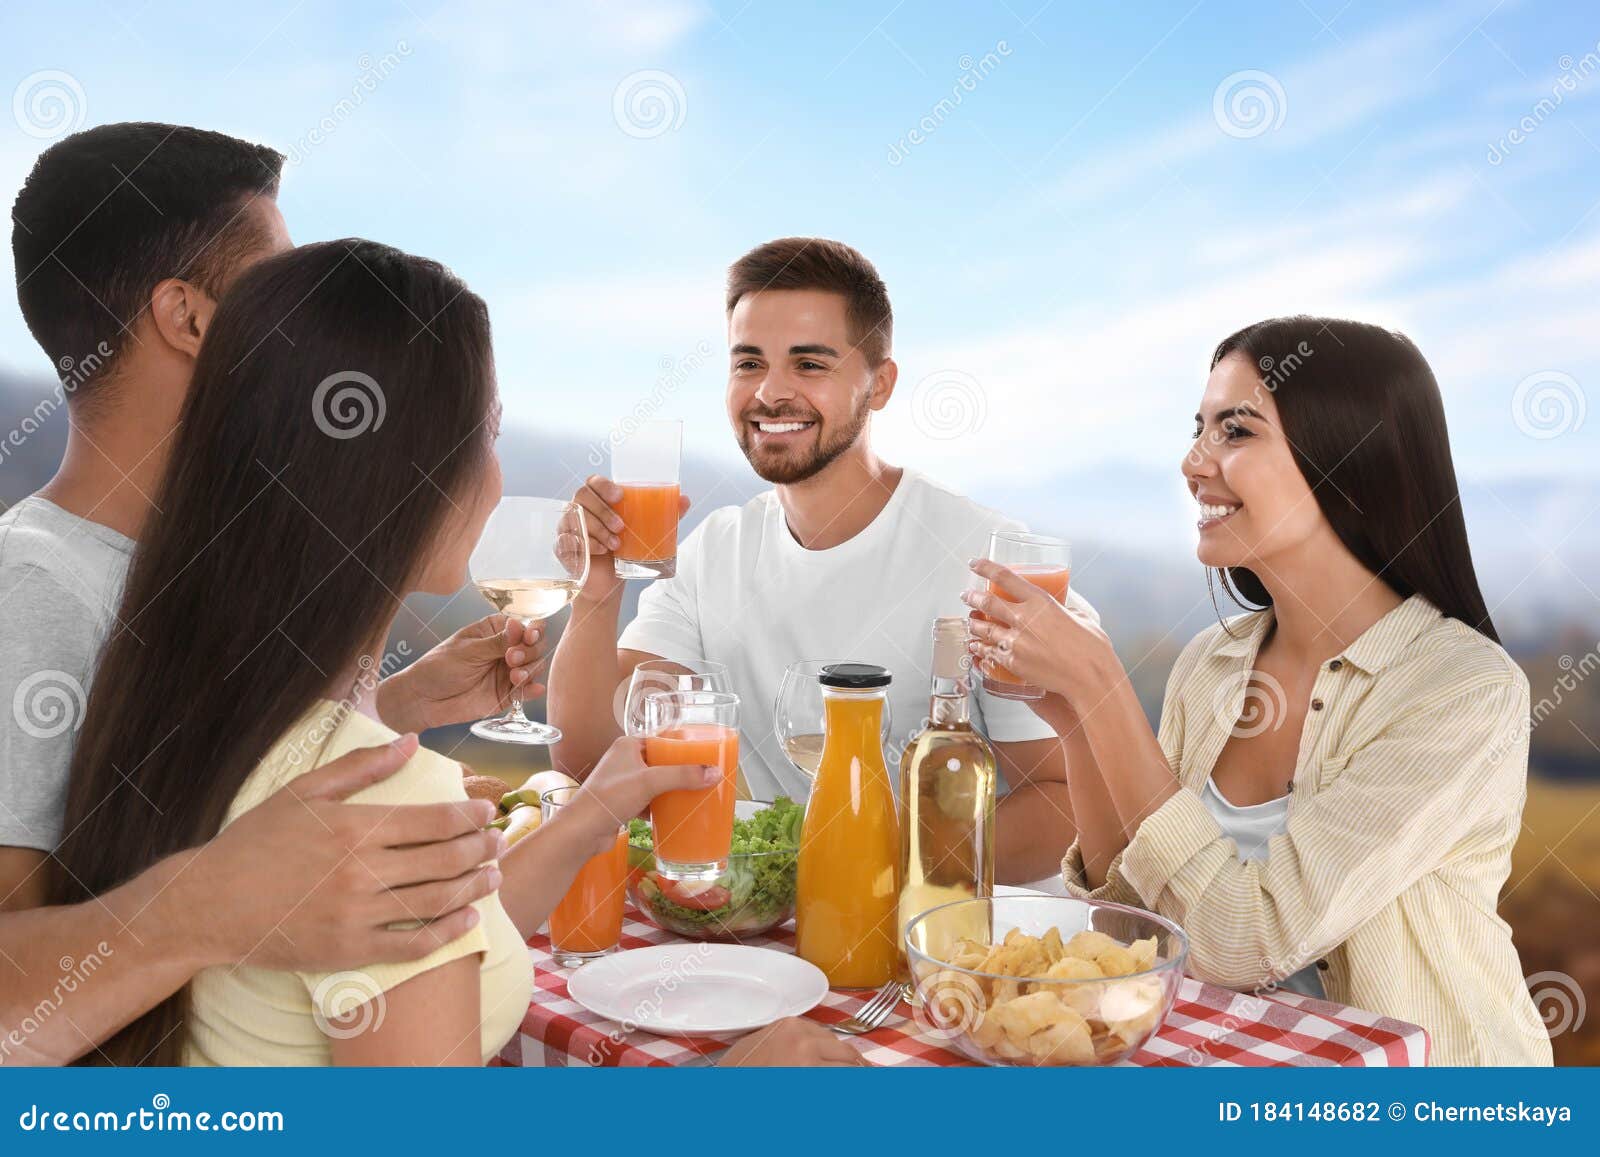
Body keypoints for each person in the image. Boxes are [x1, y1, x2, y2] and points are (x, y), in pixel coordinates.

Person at [1, 123, 531, 1064]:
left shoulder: (192, 563)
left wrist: (392, 708)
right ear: (191, 319)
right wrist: (206, 904)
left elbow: (210, 783)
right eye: (276, 283)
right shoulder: (31, 592)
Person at [963, 317, 1552, 1065]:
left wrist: (1102, 683)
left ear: (1348, 458)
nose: (1192, 462)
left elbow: (1250, 938)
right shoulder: (1214, 662)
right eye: (1199, 429)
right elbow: (1137, 933)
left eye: (1234, 432)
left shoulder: (1461, 690)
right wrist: (1077, 716)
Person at [549, 238, 1097, 885]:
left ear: (881, 383)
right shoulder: (710, 554)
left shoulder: (979, 557)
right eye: (749, 363)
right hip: (797, 928)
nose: (771, 392)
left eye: (809, 364)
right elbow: (589, 761)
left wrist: (868, 870)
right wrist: (595, 593)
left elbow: (1065, 802)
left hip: (965, 940)